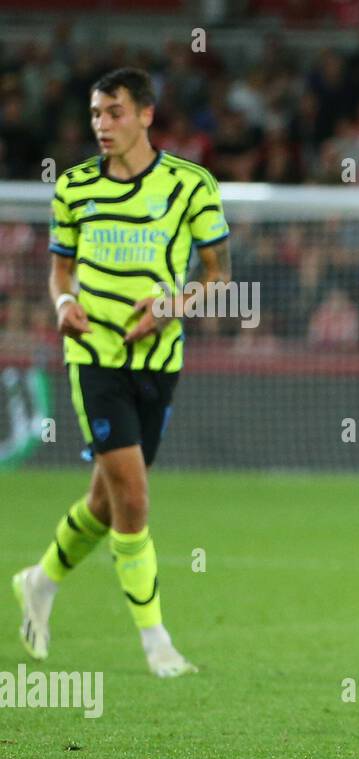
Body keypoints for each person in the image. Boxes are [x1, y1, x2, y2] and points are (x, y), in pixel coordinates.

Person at [12, 67, 231, 676]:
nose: (102, 125)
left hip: (159, 360)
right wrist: (63, 304)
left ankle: (40, 580)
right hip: (95, 356)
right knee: (133, 498)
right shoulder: (75, 188)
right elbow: (60, 271)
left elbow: (219, 278)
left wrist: (168, 308)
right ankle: (156, 642)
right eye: (95, 115)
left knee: (106, 501)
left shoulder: (192, 186)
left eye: (114, 112)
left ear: (145, 115)